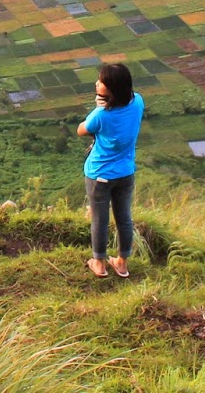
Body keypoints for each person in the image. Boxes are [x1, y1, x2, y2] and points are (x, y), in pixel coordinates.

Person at [78, 62, 143, 278]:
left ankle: (99, 264)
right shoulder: (138, 102)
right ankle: (122, 263)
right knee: (124, 217)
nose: (97, 83)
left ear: (112, 89)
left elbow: (82, 130)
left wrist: (99, 107)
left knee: (100, 219)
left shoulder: (101, 115)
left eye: (102, 82)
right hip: (125, 172)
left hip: (100, 174)